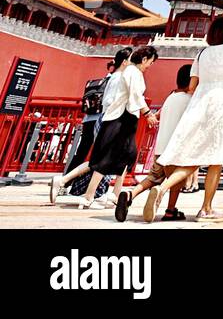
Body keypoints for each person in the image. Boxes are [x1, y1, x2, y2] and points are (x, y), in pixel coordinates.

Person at [148, 15, 223, 221]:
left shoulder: (201, 53)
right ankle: (206, 209)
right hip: (221, 102)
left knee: (194, 154)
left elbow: (191, 86)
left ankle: (163, 188)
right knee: (216, 158)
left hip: (199, 102)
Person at [68, 46, 158, 211]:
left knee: (128, 155)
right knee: (107, 157)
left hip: (126, 118)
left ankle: (115, 195)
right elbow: (136, 95)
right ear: (145, 59)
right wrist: (148, 113)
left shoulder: (130, 72)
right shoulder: (133, 72)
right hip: (122, 118)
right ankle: (88, 196)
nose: (149, 66)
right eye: (150, 63)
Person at [50, 49, 131, 205]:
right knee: (102, 160)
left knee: (106, 158)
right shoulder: (118, 79)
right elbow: (109, 102)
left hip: (95, 120)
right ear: (124, 62)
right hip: (108, 121)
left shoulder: (111, 78)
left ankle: (89, 190)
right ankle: (72, 185)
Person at [116, 63, 192, 223]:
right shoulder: (189, 100)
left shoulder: (170, 98)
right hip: (176, 149)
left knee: (152, 178)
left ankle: (130, 194)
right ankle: (171, 210)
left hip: (160, 148)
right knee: (176, 181)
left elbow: (157, 117)